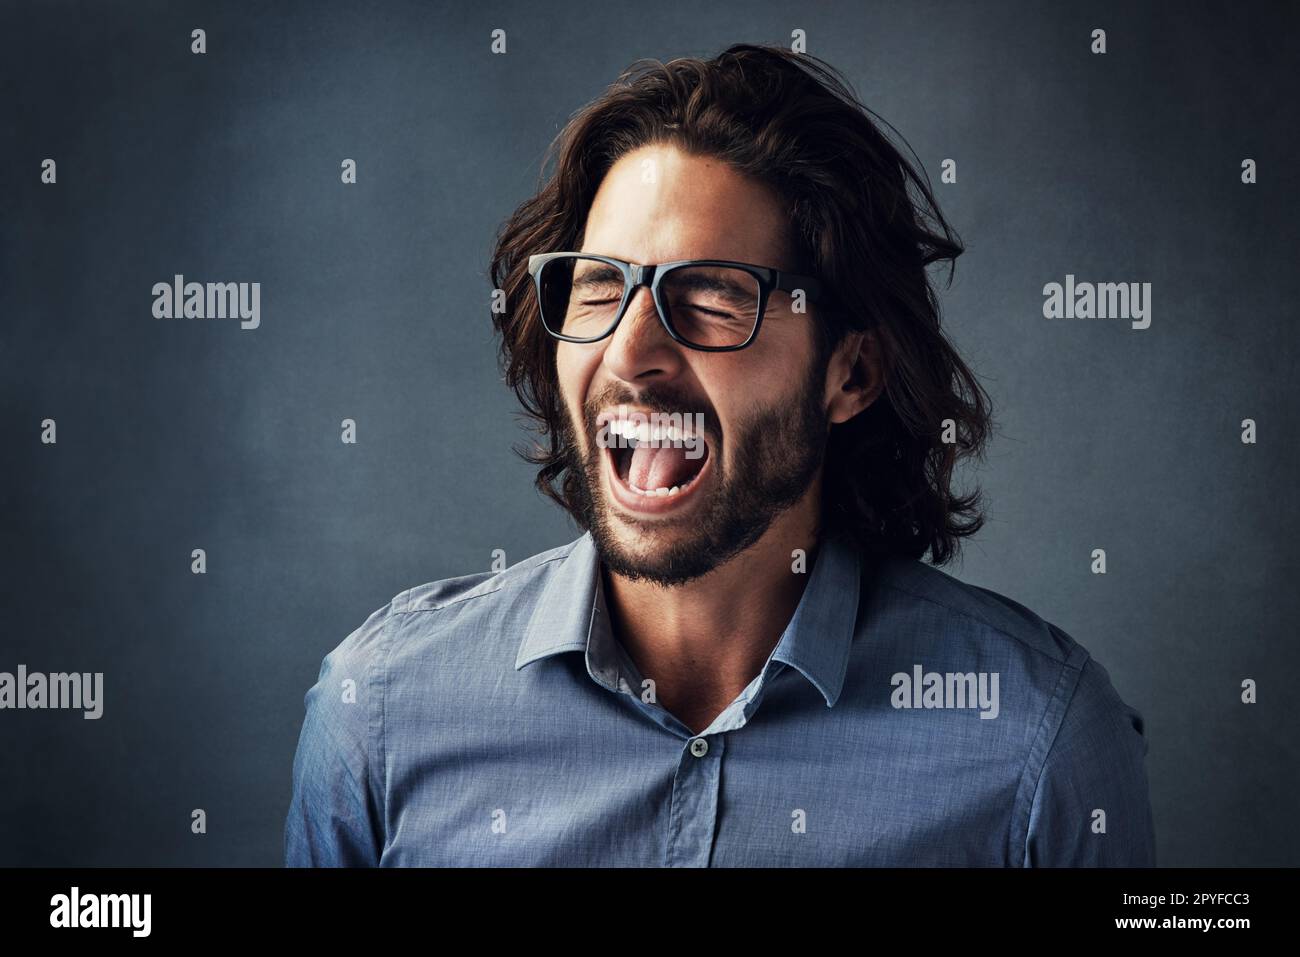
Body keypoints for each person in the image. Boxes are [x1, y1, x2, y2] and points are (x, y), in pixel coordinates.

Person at [285, 43, 1156, 867]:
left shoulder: (1037, 741)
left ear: (849, 372)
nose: (631, 353)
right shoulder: (382, 712)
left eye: (709, 294)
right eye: (598, 286)